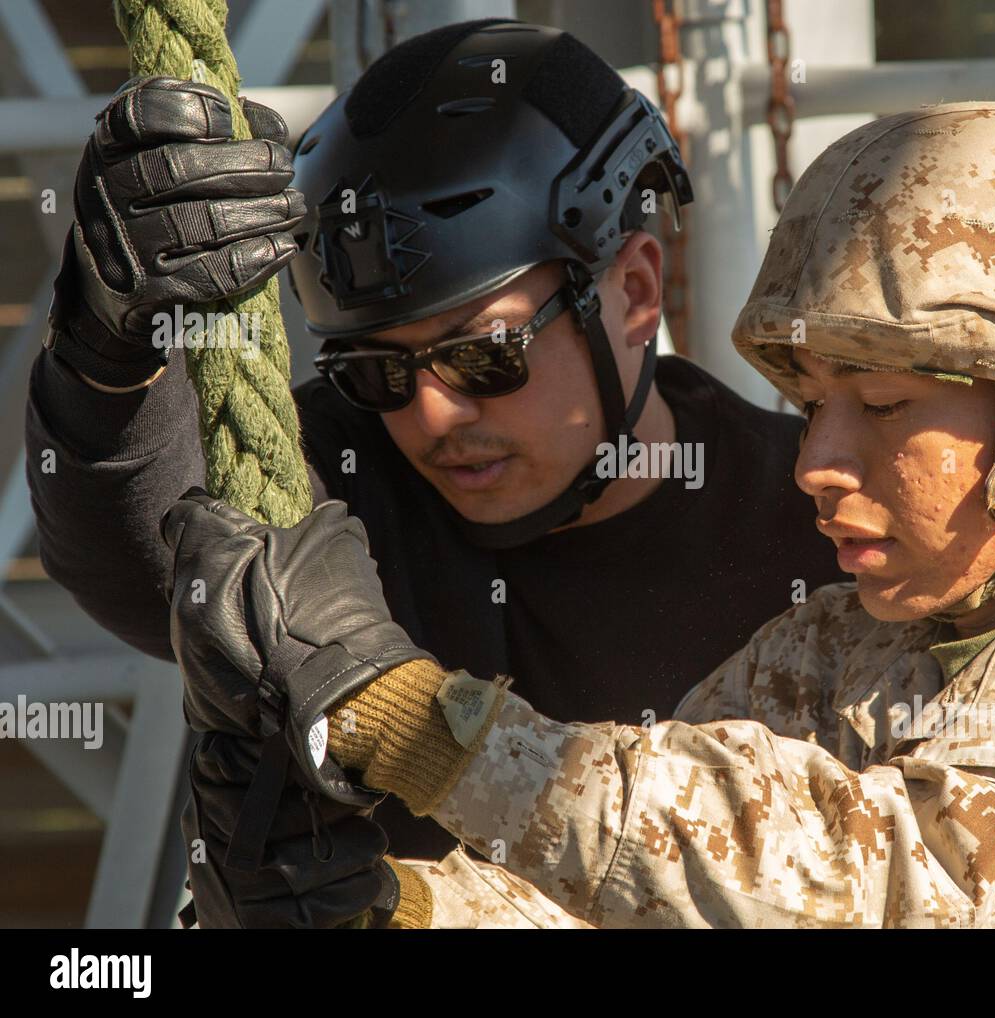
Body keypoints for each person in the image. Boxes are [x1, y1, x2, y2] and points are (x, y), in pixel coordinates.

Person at [166, 100, 995, 927]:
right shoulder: (840, 651)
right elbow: (623, 900)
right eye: (809, 406)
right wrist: (388, 910)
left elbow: (877, 887)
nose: (814, 461)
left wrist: (411, 721)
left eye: (882, 405)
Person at [24, 20, 840, 927]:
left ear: (637, 293)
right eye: (376, 371)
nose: (431, 417)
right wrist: (103, 348)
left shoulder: (822, 531)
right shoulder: (333, 475)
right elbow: (135, 555)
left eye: (484, 356)